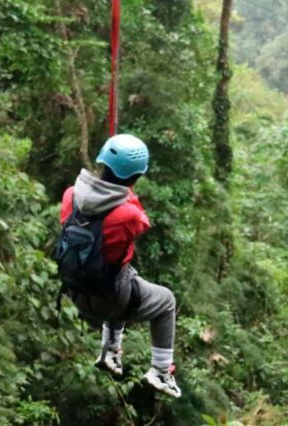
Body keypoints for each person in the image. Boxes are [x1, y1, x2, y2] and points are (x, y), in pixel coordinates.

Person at [58, 134, 181, 398]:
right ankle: (161, 371)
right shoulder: (129, 215)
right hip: (111, 299)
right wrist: (126, 191)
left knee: (126, 273)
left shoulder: (71, 196)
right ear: (136, 177)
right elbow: (141, 221)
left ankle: (109, 351)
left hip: (78, 294)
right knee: (166, 301)